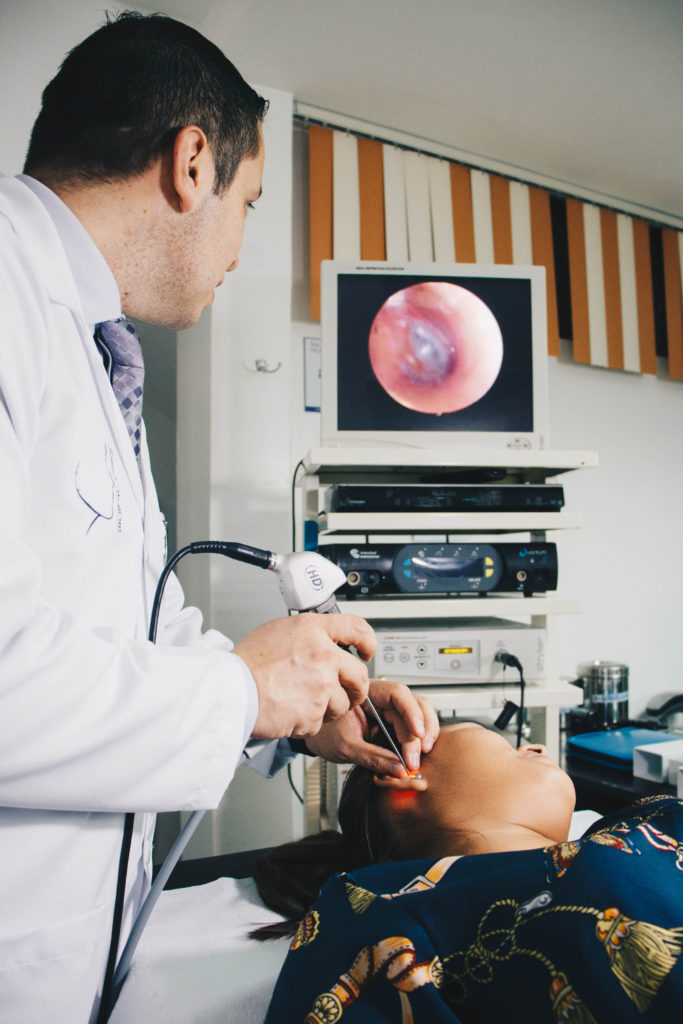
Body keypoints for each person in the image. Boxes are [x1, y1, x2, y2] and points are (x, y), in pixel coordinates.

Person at [0, 12, 438, 1023]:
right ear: (192, 161)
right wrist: (240, 692)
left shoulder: (88, 346)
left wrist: (294, 709)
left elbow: (132, 632)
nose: (241, 240)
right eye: (249, 202)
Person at [258, 724, 683, 1023]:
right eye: (506, 745)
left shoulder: (642, 822)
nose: (537, 747)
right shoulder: (374, 910)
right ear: (404, 779)